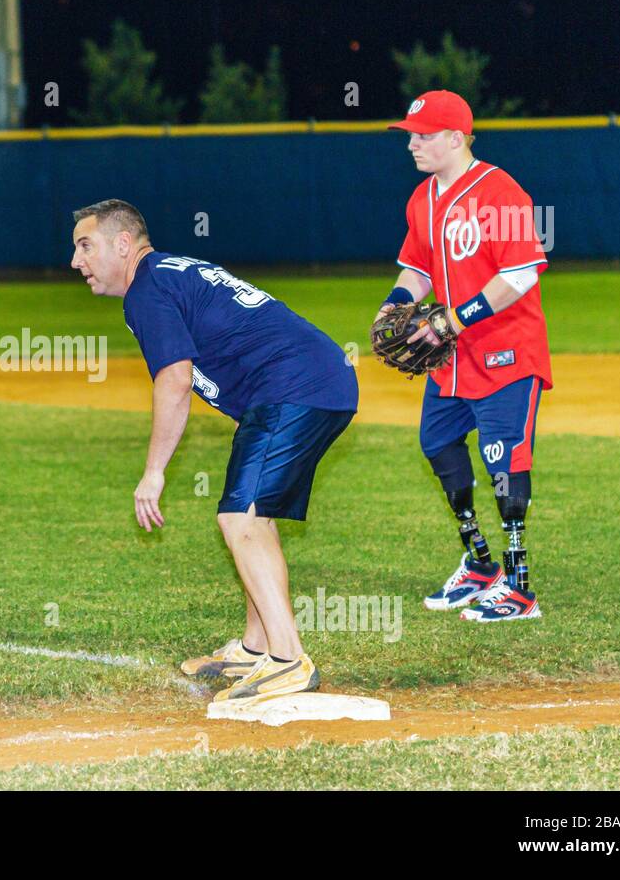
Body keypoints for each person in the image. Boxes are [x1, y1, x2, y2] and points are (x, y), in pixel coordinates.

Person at [70, 199, 358, 706]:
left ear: (122, 244)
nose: (76, 261)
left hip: (296, 387)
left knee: (239, 519)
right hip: (308, 383)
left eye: (85, 245)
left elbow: (175, 380)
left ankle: (289, 661)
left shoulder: (148, 287)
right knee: (253, 516)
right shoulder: (165, 274)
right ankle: (257, 646)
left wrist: (154, 472)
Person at [377, 90, 551, 622]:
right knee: (438, 443)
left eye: (424, 135)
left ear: (457, 138)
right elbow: (419, 271)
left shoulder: (503, 192)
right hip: (450, 358)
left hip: (505, 353)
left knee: (503, 463)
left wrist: (453, 318)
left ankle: (521, 588)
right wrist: (393, 305)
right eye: (409, 134)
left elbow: (520, 274)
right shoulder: (421, 199)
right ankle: (480, 565)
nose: (412, 144)